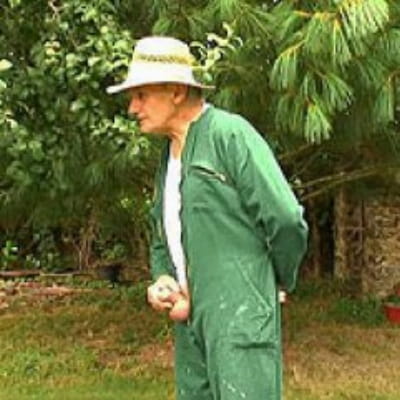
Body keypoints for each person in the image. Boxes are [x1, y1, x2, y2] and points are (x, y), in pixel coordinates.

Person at [107, 36, 308, 400]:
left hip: (240, 319)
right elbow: (162, 232)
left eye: (141, 95)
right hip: (190, 321)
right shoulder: (169, 155)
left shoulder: (229, 135)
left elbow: (286, 218)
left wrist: (275, 279)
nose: (133, 107)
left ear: (177, 91)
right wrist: (163, 277)